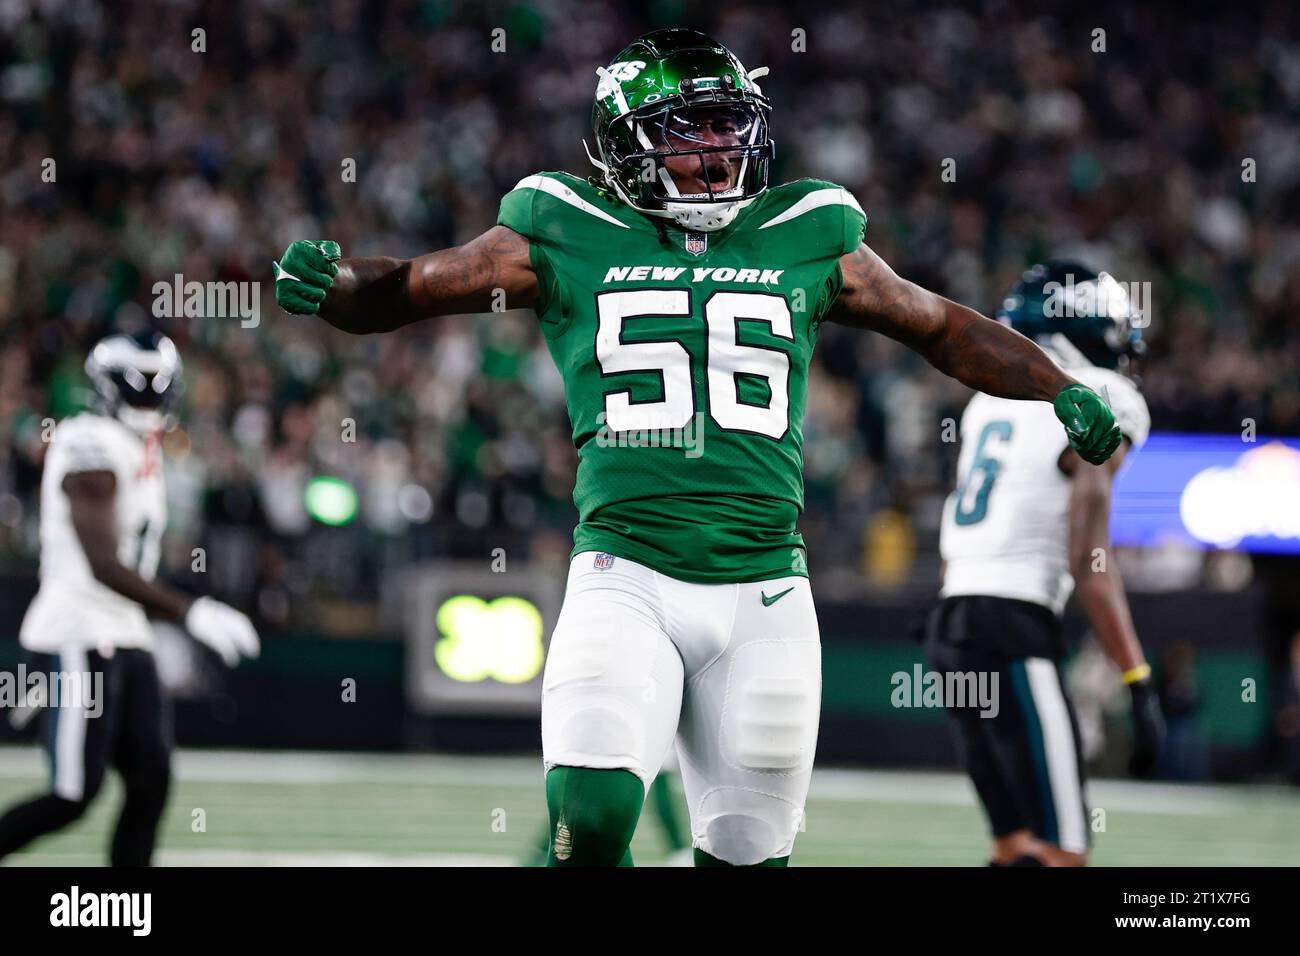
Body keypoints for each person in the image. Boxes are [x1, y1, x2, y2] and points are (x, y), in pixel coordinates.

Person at [275, 30, 1121, 866]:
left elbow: (940, 325)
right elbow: (410, 287)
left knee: (749, 855)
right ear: (625, 141)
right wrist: (338, 285)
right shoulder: (562, 225)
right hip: (627, 572)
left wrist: (1059, 385)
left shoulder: (808, 227)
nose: (720, 149)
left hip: (767, 594)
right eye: (692, 129)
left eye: (728, 124)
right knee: (592, 817)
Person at [928, 261, 1165, 866]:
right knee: (1064, 849)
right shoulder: (1109, 397)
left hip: (950, 624)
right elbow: (1088, 560)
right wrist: (1136, 678)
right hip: (1014, 623)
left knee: (1015, 845)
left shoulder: (988, 398)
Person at [0, 332, 260, 866]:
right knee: (74, 794)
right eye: (137, 386)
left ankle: (125, 905)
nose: (148, 398)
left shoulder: (142, 448)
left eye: (157, 386)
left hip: (127, 632)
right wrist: (191, 611)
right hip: (78, 631)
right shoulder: (88, 441)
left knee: (151, 778)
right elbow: (102, 564)